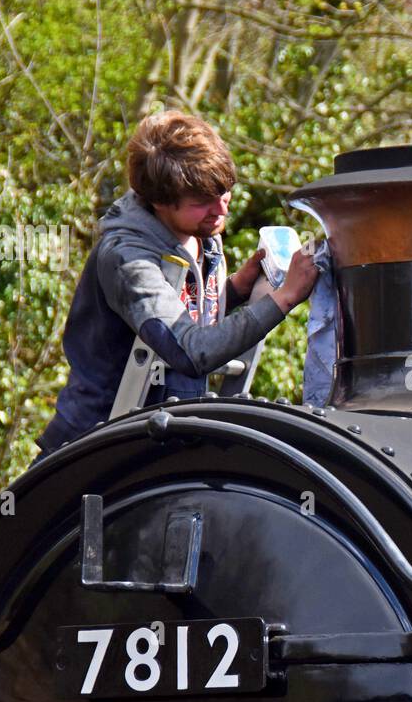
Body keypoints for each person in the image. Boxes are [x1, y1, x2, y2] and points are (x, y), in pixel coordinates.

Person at [33, 110, 318, 462]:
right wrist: (284, 298)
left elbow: (178, 317)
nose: (221, 210)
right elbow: (190, 351)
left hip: (166, 431)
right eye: (203, 202)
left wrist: (238, 289)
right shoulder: (128, 260)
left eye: (225, 193)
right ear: (160, 202)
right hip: (94, 447)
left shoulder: (201, 234)